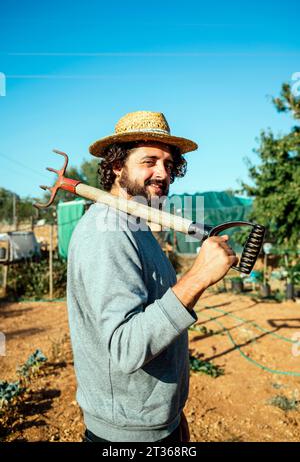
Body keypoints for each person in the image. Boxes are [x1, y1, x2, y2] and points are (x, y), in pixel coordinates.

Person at [67, 111, 237, 443]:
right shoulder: (108, 233)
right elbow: (125, 347)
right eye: (149, 161)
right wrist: (198, 276)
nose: (163, 173)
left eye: (169, 164)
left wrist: (171, 416)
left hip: (155, 425)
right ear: (117, 165)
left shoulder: (136, 225)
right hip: (127, 439)